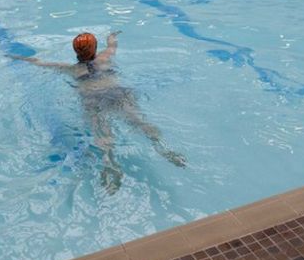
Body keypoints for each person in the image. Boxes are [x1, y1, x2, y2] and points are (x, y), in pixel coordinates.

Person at [12, 31, 185, 193]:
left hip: (92, 101)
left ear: (76, 52)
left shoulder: (70, 69)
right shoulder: (104, 58)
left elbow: (39, 63)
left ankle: (110, 164)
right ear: (95, 49)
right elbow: (111, 45)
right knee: (140, 123)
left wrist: (18, 57)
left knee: (102, 135)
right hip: (117, 94)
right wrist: (112, 35)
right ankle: (163, 149)